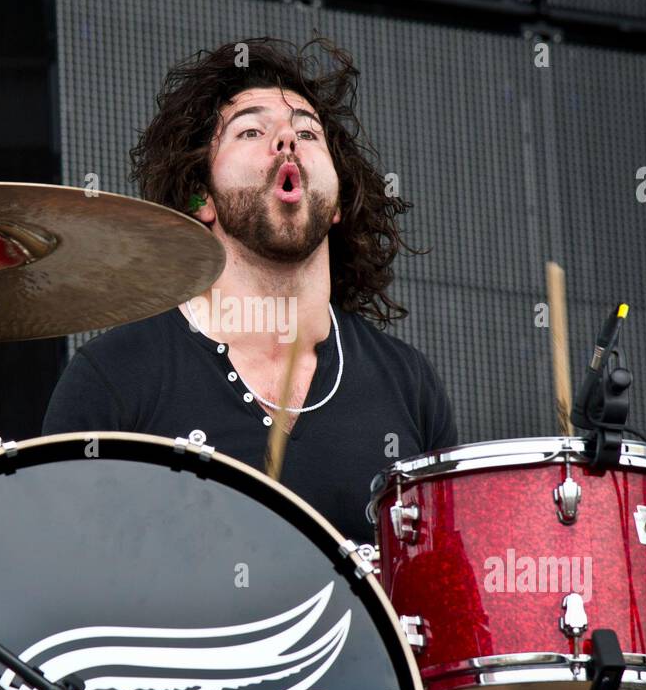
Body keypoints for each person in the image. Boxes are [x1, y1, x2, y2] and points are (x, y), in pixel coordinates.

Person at [43, 36, 456, 544]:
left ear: (336, 204)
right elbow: (64, 578)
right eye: (252, 130)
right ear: (202, 198)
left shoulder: (408, 385)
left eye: (308, 134)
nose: (286, 142)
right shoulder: (116, 377)